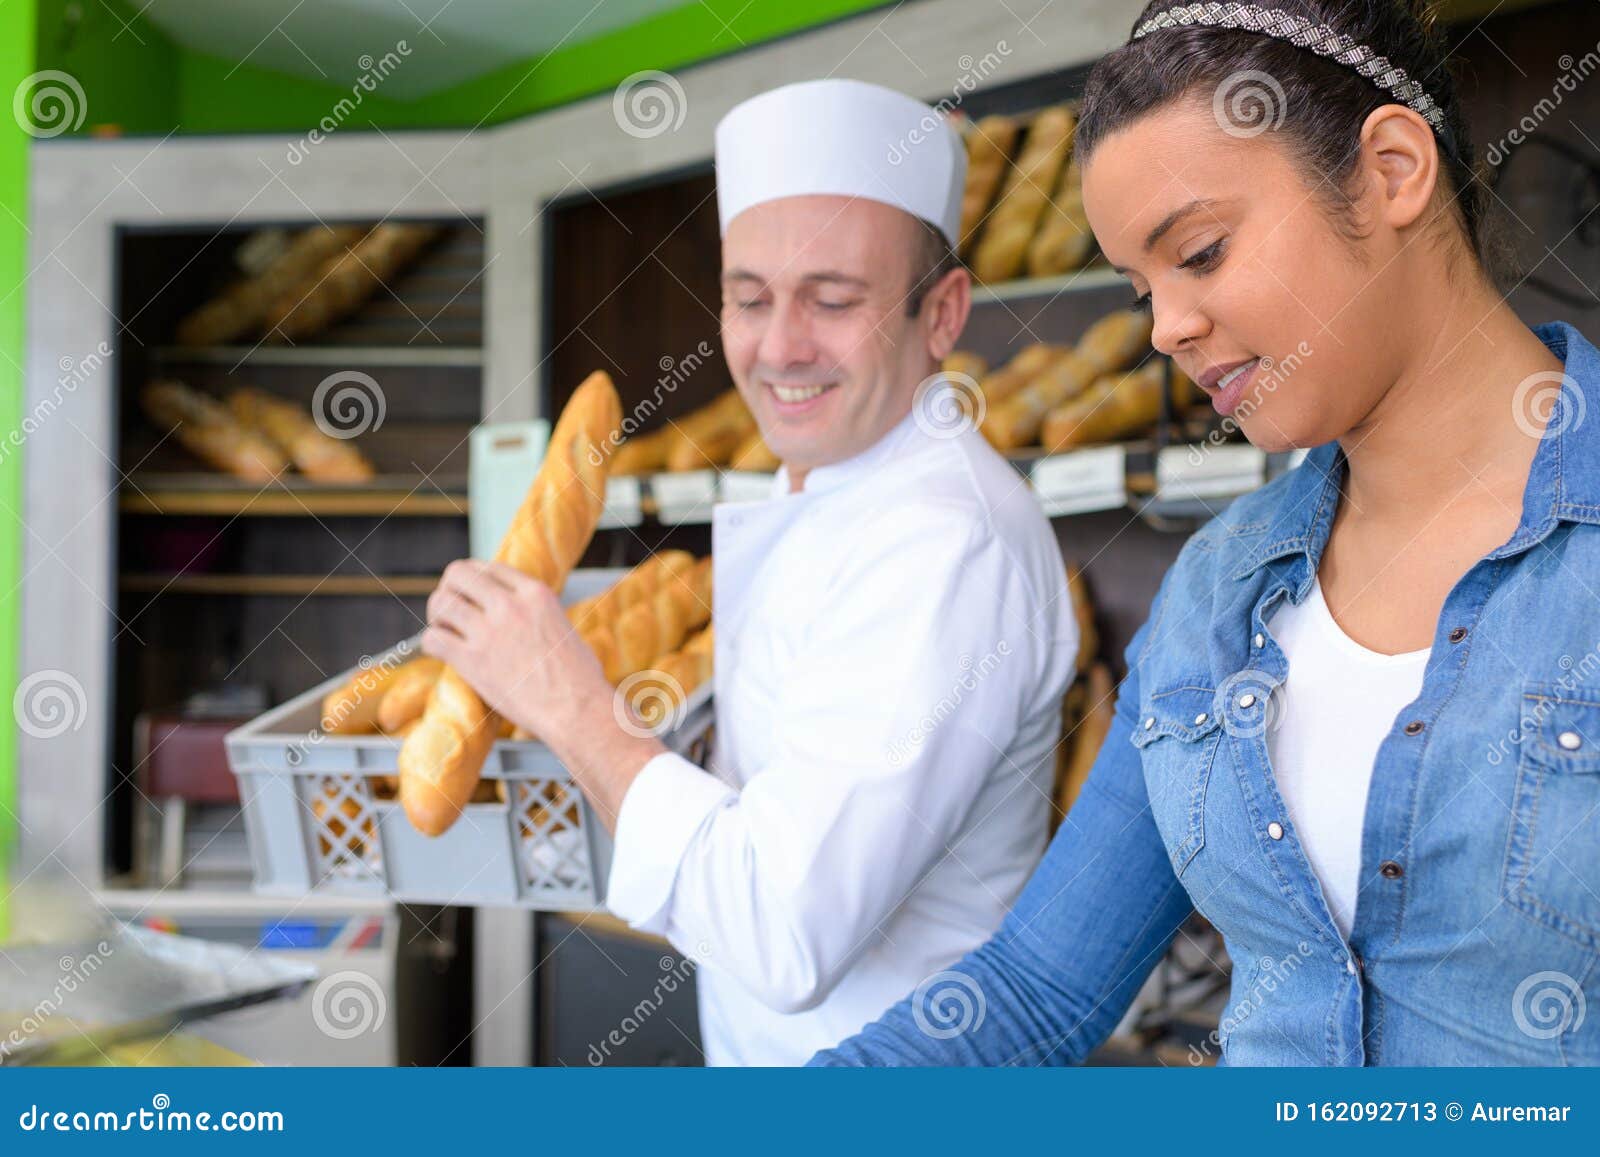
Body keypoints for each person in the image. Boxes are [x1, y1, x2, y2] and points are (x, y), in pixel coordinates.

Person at [814, 0, 1600, 1066]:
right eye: (1141, 287)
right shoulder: (1217, 589)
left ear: (1392, 169)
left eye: (1201, 251)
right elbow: (1035, 991)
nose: (1164, 327)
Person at [420, 78, 1078, 1065]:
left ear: (941, 314)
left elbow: (782, 925)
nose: (779, 347)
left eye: (834, 299)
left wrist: (572, 702)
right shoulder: (824, 484)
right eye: (749, 297)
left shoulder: (945, 543)